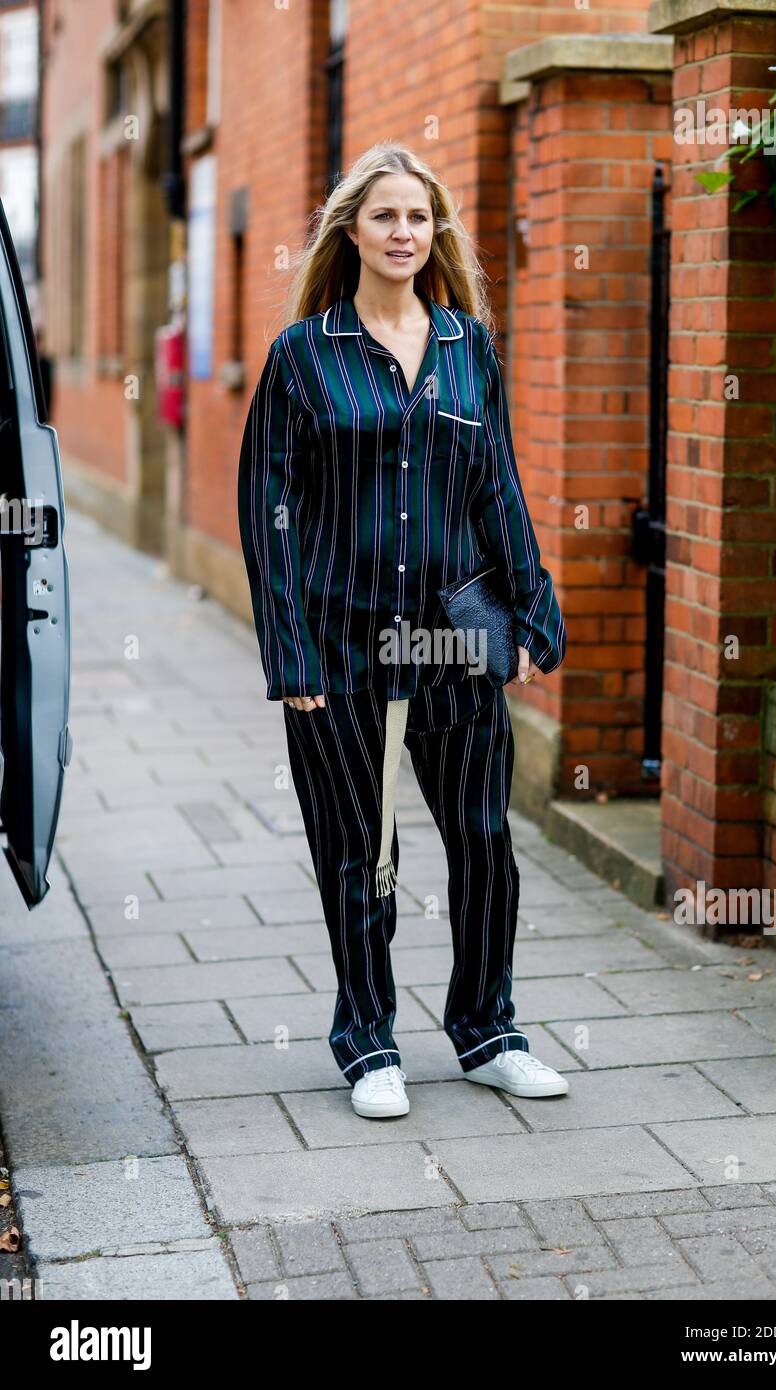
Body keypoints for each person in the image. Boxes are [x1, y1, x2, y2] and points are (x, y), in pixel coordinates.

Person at [237, 141, 569, 1119]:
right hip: (339, 642)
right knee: (358, 849)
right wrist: (289, 648)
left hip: (454, 637)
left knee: (482, 841)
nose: (401, 232)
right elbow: (270, 505)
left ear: (435, 233)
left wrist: (529, 611)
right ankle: (367, 1038)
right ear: (351, 229)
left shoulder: (470, 348)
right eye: (383, 215)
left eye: (417, 217)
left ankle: (487, 1030)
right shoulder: (304, 356)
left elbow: (497, 487)